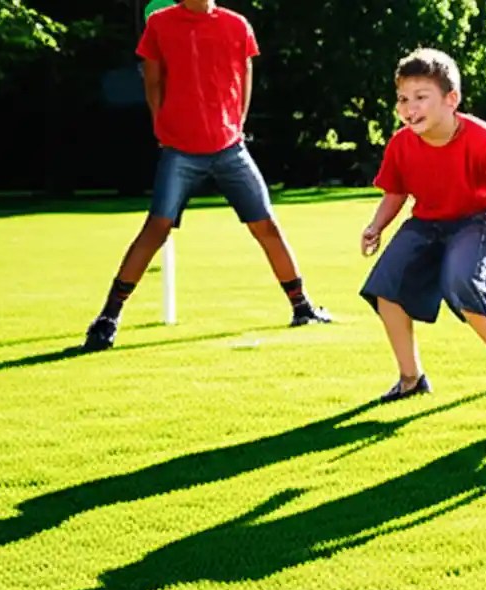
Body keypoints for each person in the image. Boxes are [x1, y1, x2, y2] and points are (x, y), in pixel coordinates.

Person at [82, 0, 330, 352]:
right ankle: (107, 318)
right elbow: (152, 81)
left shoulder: (237, 25)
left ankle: (302, 307)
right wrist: (163, 128)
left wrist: (235, 126)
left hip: (230, 148)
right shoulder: (160, 24)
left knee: (266, 226)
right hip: (180, 151)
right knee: (156, 227)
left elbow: (245, 78)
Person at [359, 49, 486, 403]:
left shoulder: (482, 138)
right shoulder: (401, 143)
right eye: (403, 99)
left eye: (421, 97)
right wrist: (376, 226)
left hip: (480, 219)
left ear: (451, 99)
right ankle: (411, 379)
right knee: (385, 288)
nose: (410, 108)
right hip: (427, 222)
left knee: (461, 282)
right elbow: (396, 191)